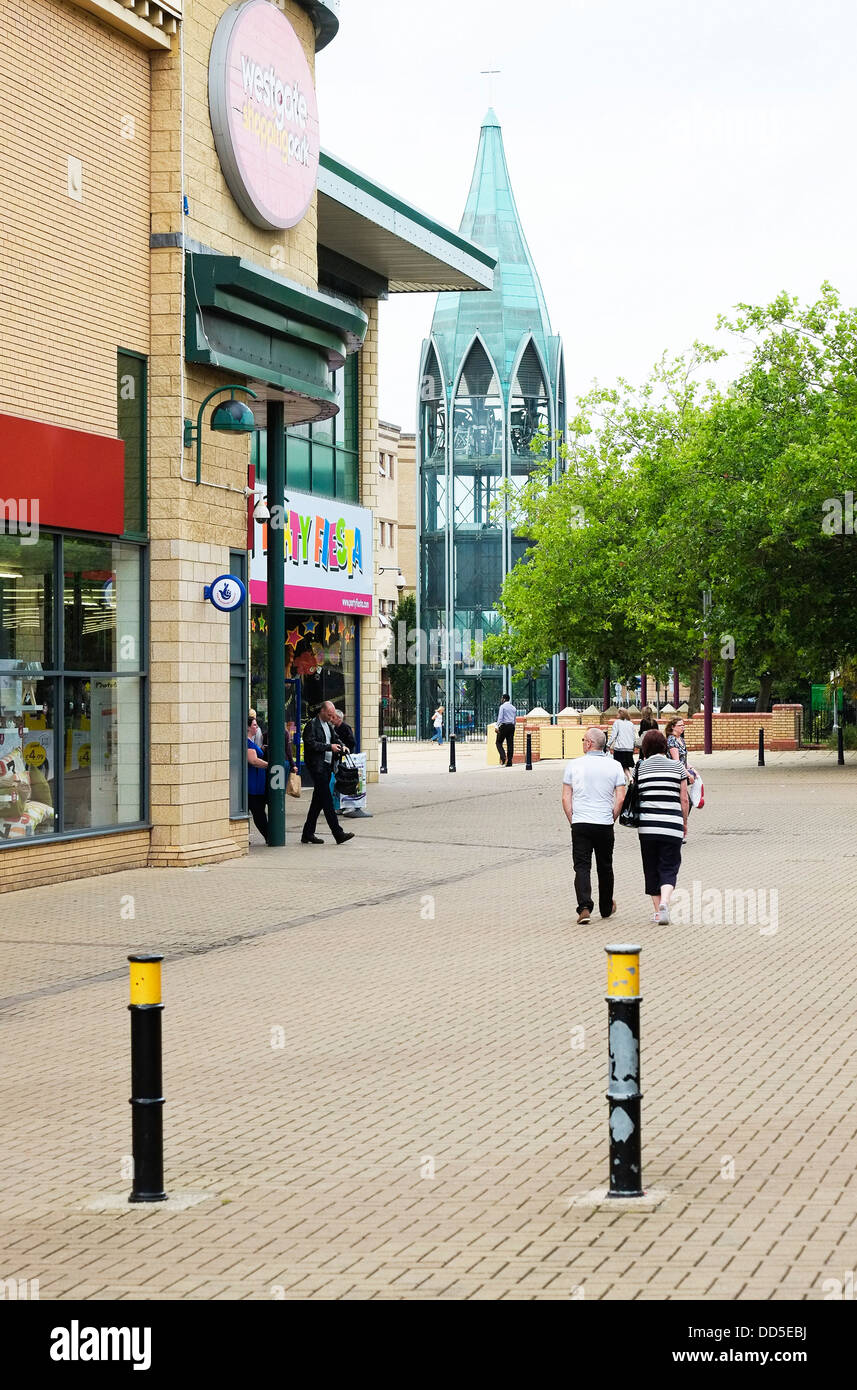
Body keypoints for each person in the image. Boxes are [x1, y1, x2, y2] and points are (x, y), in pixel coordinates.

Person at [561, 726, 626, 925]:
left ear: (589, 743)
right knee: (605, 866)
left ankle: (584, 907)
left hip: (581, 822)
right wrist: (612, 816)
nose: (582, 743)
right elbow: (621, 796)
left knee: (582, 866)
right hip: (604, 823)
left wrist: (573, 818)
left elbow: (566, 796)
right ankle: (606, 906)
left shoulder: (574, 765)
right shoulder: (614, 765)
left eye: (583, 740)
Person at [636, 728, 689, 925]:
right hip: (672, 825)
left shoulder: (640, 768)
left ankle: (658, 912)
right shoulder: (677, 767)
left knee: (651, 868)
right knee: (669, 866)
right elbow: (684, 798)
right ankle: (666, 901)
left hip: (648, 827)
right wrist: (684, 822)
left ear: (645, 748)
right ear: (664, 746)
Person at [300, 700, 354, 846]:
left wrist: (342, 746)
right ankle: (338, 833)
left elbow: (335, 739)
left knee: (317, 803)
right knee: (327, 801)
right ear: (322, 711)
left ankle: (307, 833)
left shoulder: (328, 726)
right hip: (317, 768)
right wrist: (329, 747)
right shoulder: (312, 725)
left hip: (327, 767)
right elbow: (311, 744)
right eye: (329, 715)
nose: (331, 719)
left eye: (332, 716)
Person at [247, 714, 269, 844]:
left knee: (258, 811)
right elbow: (253, 760)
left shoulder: (251, 742)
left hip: (257, 783)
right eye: (254, 725)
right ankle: (269, 836)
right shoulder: (247, 743)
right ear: (248, 728)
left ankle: (268, 835)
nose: (257, 727)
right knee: (258, 812)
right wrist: (269, 765)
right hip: (252, 784)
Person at [329, 708, 356, 812]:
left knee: (345, 781)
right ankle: (339, 805)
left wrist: (343, 749)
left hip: (344, 760)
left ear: (339, 718)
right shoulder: (334, 728)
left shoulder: (345, 728)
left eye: (333, 717)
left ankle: (348, 804)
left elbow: (352, 743)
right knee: (337, 782)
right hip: (337, 760)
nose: (331, 719)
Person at [607, 708, 636, 778]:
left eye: (618, 713)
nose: (616, 714)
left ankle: (621, 780)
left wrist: (608, 744)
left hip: (620, 748)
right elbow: (633, 736)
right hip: (629, 749)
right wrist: (633, 746)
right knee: (625, 766)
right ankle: (630, 777)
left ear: (621, 714)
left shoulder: (617, 723)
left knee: (618, 766)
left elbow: (613, 735)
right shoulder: (631, 724)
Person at [495, 692, 517, 767]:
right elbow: (514, 720)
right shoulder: (513, 707)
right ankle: (510, 761)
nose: (501, 699)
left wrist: (496, 726)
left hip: (504, 726)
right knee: (510, 744)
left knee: (498, 742)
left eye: (502, 698)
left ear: (504, 699)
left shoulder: (502, 707)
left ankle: (503, 756)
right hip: (511, 726)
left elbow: (500, 718)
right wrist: (513, 727)